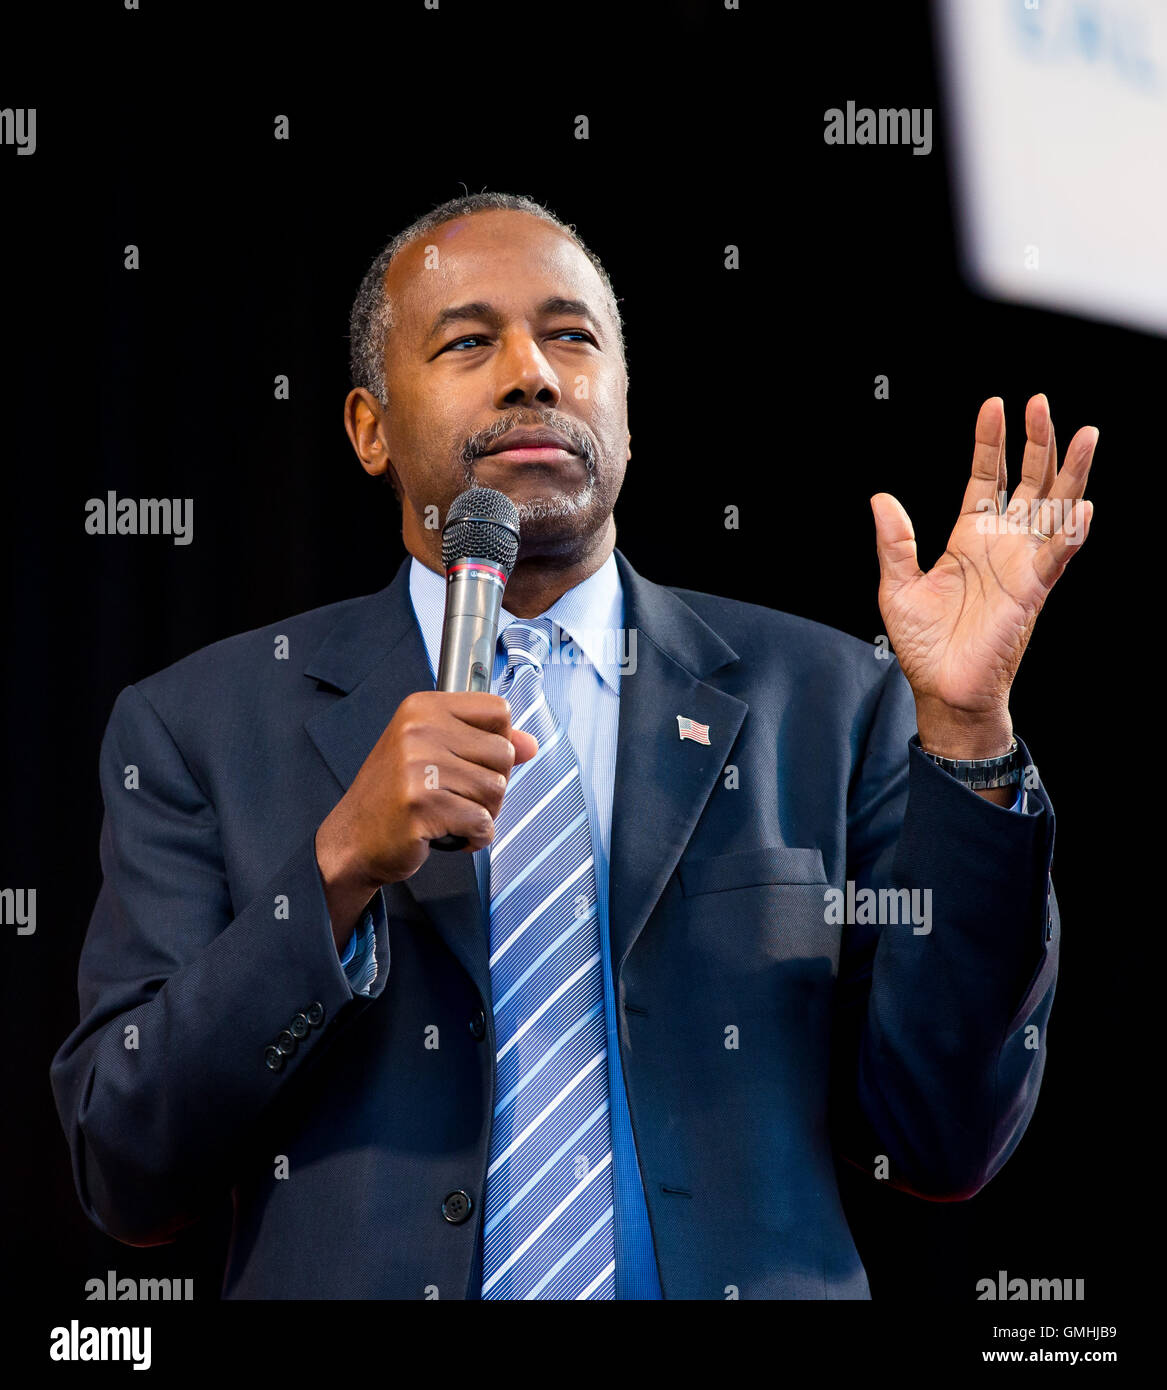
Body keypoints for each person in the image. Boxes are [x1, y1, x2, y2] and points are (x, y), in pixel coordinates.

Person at [50, 192, 1095, 1300]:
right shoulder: (200, 726)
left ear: (628, 411)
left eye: (572, 336)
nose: (533, 375)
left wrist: (970, 733)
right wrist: (336, 870)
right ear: (368, 428)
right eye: (467, 341)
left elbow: (946, 1135)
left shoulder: (831, 700)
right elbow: (125, 1164)